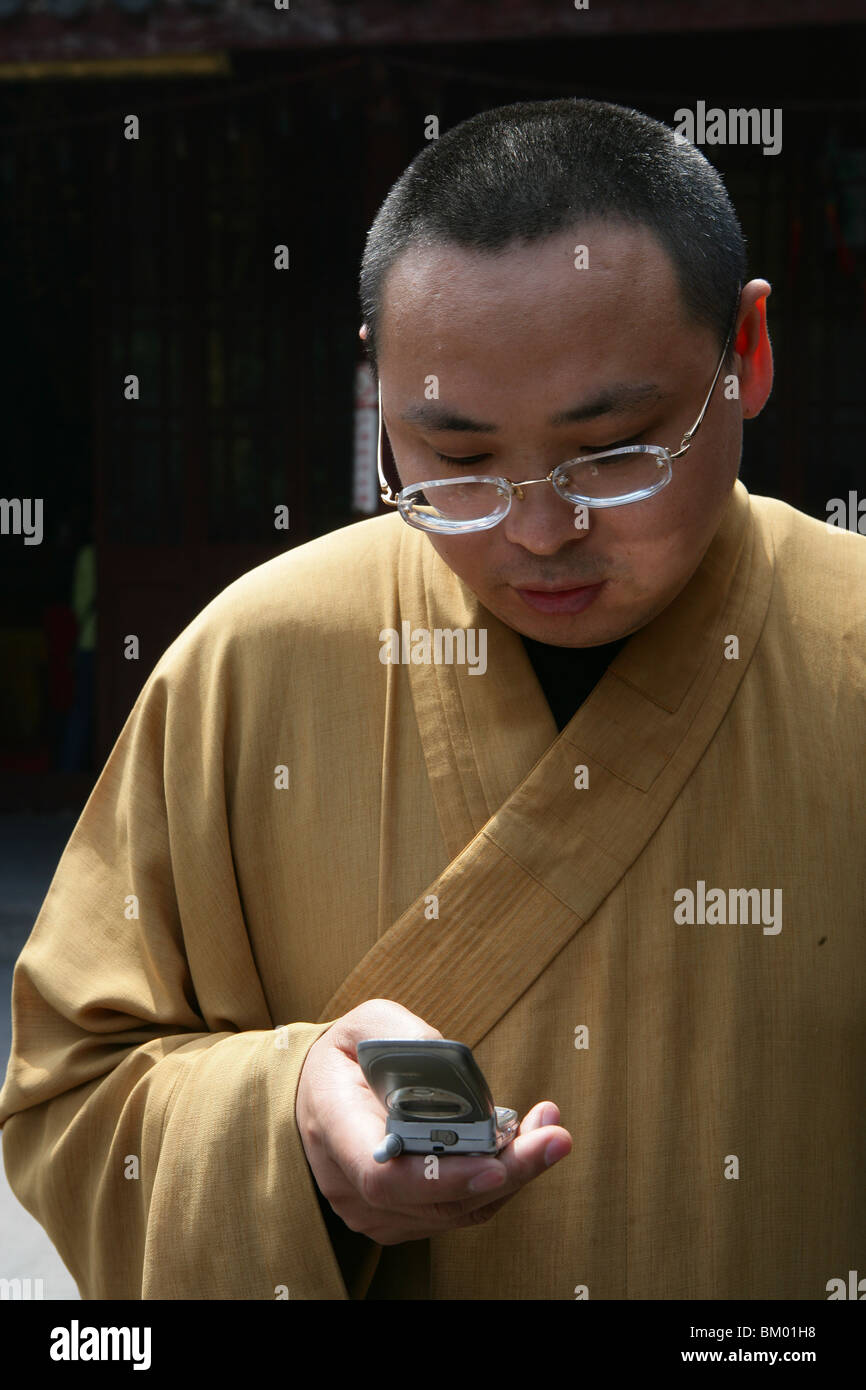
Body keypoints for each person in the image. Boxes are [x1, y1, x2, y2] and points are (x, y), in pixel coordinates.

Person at [1, 98, 863, 1301]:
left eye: (614, 450)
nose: (539, 530)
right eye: (453, 464)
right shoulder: (253, 659)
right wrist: (288, 1125)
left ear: (748, 352)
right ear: (380, 390)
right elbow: (67, 1094)